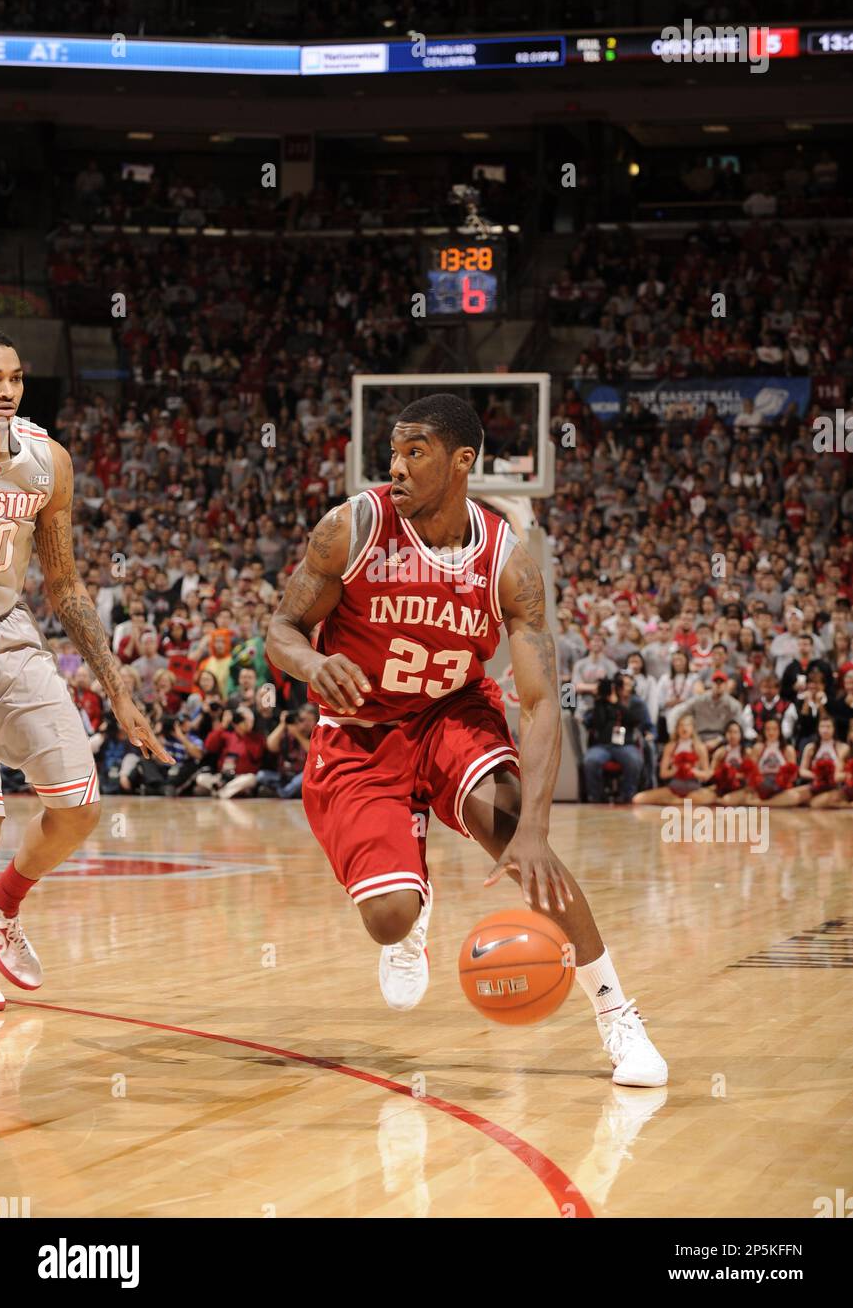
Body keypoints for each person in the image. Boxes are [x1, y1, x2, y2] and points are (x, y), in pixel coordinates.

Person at [266, 393, 667, 1087]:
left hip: (452, 715)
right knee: (388, 918)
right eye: (393, 452)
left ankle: (617, 1016)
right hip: (361, 730)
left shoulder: (508, 563)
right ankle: (413, 896)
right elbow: (282, 629)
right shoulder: (351, 529)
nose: (396, 466)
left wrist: (534, 830)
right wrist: (310, 662)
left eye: (414, 452)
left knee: (523, 850)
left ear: (461, 461)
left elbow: (539, 704)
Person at [0, 327, 171, 1011]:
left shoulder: (48, 461)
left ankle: (2, 905)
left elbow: (63, 585)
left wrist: (118, 693)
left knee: (79, 806)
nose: (6, 390)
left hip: (8, 631)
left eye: (14, 377)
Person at [583, 674, 652, 804]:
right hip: (602, 745)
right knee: (590, 761)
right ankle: (596, 797)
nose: (624, 688)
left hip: (626, 745)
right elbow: (598, 724)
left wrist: (617, 704)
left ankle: (627, 796)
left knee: (634, 761)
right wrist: (599, 701)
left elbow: (635, 721)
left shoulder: (635, 702)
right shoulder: (601, 703)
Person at [633, 713, 712, 805]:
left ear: (693, 728)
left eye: (687, 725)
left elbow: (706, 775)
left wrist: (692, 771)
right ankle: (678, 802)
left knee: (708, 797)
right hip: (673, 789)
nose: (684, 728)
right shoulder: (670, 747)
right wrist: (675, 770)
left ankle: (677, 802)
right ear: (677, 728)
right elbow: (663, 774)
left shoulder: (700, 747)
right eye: (681, 725)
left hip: (693, 790)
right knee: (637, 799)